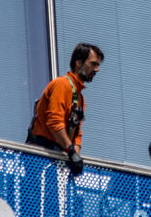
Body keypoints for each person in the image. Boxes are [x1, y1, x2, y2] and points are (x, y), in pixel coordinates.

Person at [26, 43, 104, 175]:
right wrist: (72, 153)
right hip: (40, 154)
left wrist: (76, 156)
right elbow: (54, 123)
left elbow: (77, 133)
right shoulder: (61, 85)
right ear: (79, 63)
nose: (97, 69)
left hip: (57, 156)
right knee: (37, 191)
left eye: (98, 65)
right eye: (93, 64)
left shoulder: (79, 98)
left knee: (54, 194)